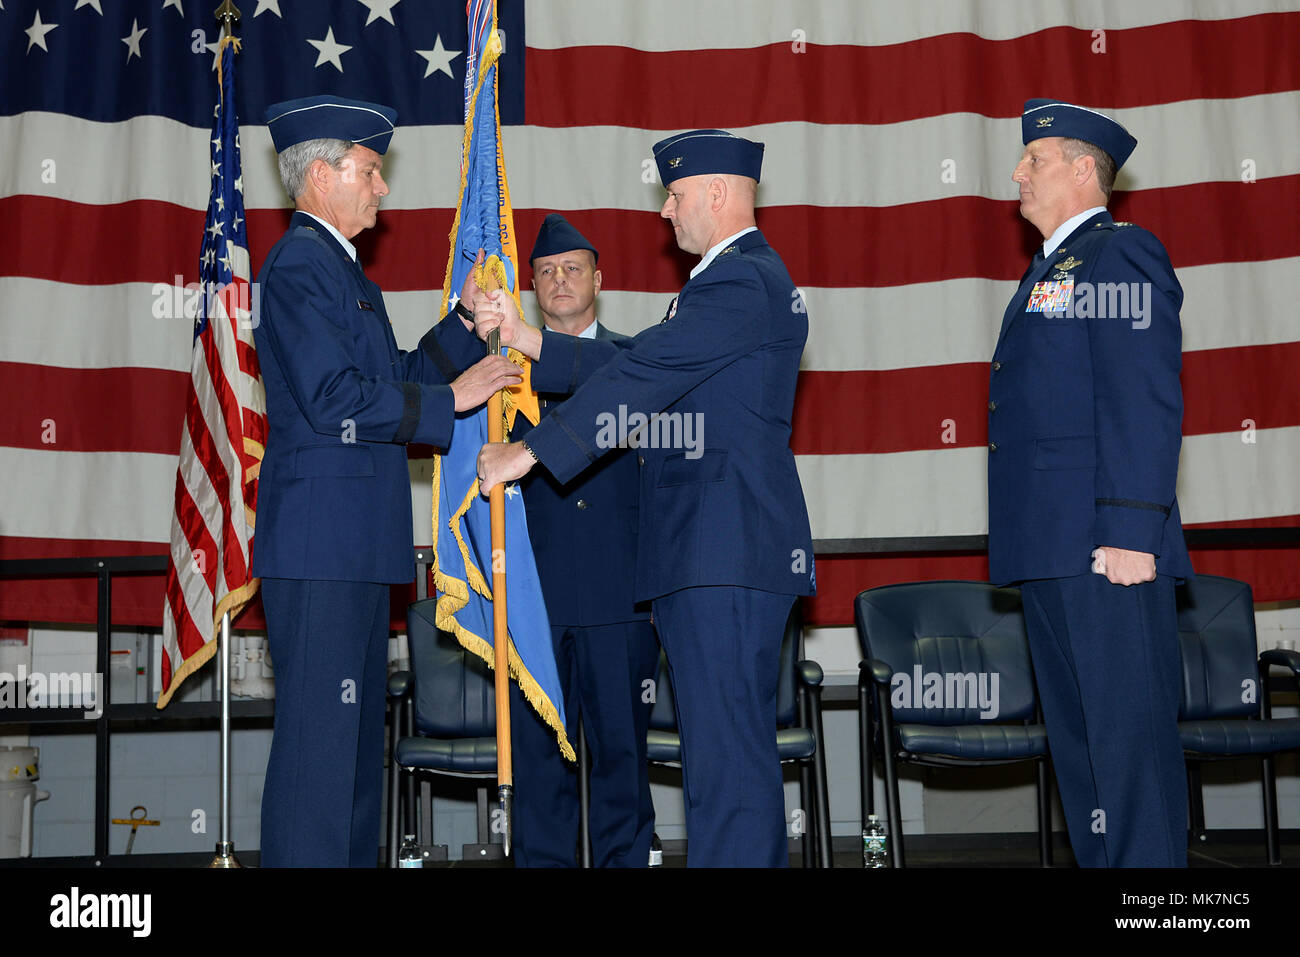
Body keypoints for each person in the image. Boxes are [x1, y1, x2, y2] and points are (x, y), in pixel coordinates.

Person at [476, 130, 815, 867]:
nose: (666, 208)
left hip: (721, 552)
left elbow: (644, 379)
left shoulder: (738, 280)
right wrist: (531, 342)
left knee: (726, 771)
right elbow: (640, 360)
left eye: (677, 192)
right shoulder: (737, 281)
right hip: (714, 554)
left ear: (717, 194)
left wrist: (528, 451)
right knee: (726, 762)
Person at [253, 94, 520, 867]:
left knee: (350, 765)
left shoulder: (336, 267)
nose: (383, 188)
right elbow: (337, 398)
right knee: (319, 764)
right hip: (323, 551)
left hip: (354, 551)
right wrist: (451, 401)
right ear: (325, 175)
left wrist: (466, 328)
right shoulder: (303, 264)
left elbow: (391, 377)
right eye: (371, 171)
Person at [988, 98, 1193, 867]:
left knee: (1127, 753)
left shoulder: (1119, 254)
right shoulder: (1048, 271)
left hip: (1104, 548)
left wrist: (1132, 529)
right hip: (1049, 546)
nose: (1018, 173)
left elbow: (1141, 393)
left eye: (1033, 160)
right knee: (1083, 759)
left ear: (1082, 170)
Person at [506, 214, 660, 867]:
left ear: (600, 278)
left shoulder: (635, 360)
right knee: (540, 766)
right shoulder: (505, 377)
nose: (559, 279)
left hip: (618, 593)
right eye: (545, 271)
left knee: (622, 756)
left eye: (572, 268)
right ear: (532, 288)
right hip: (536, 595)